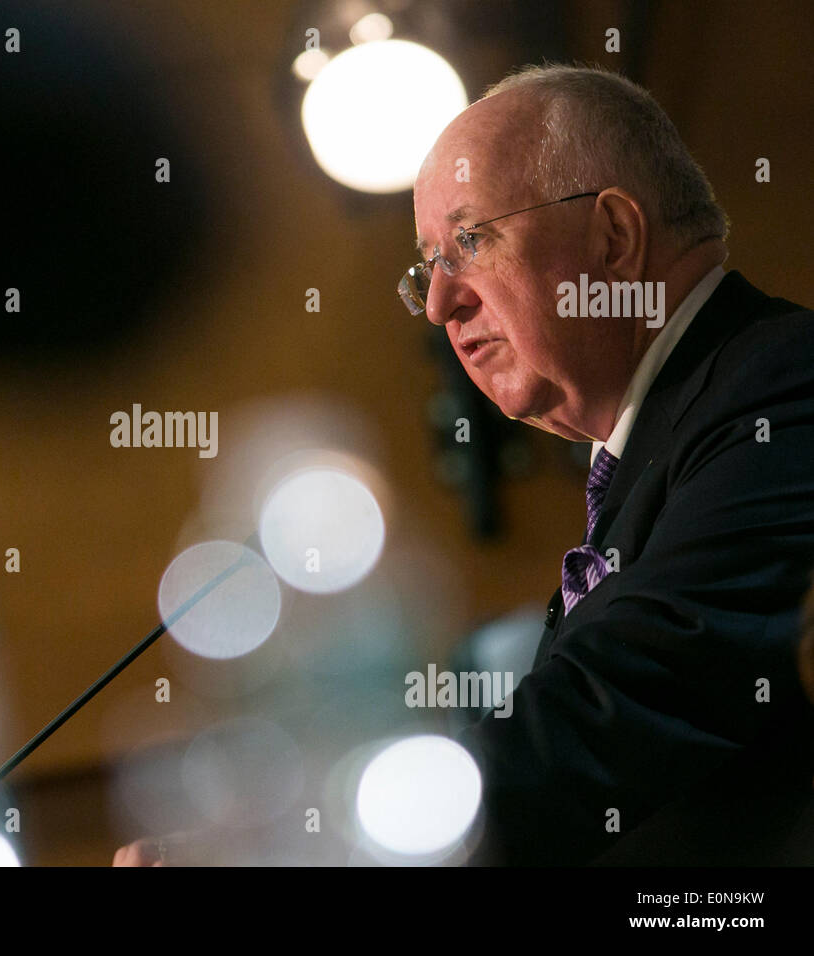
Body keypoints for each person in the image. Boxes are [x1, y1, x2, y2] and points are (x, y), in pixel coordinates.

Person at [115, 64, 814, 865]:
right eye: (428, 268)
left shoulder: (785, 384)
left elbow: (635, 695)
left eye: (471, 242)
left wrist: (300, 848)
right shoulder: (657, 447)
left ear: (613, 238)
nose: (442, 304)